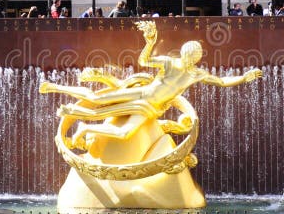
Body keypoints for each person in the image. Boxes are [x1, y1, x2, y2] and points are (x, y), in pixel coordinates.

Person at [39, 21, 261, 148]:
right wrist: (150, 42)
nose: (191, 58)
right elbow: (143, 61)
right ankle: (55, 87)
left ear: (197, 58)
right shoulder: (169, 63)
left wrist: (244, 77)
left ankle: (85, 127)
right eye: (189, 53)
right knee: (96, 99)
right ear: (183, 53)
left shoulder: (196, 74)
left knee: (125, 133)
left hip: (149, 108)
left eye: (194, 55)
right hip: (140, 94)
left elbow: (221, 81)